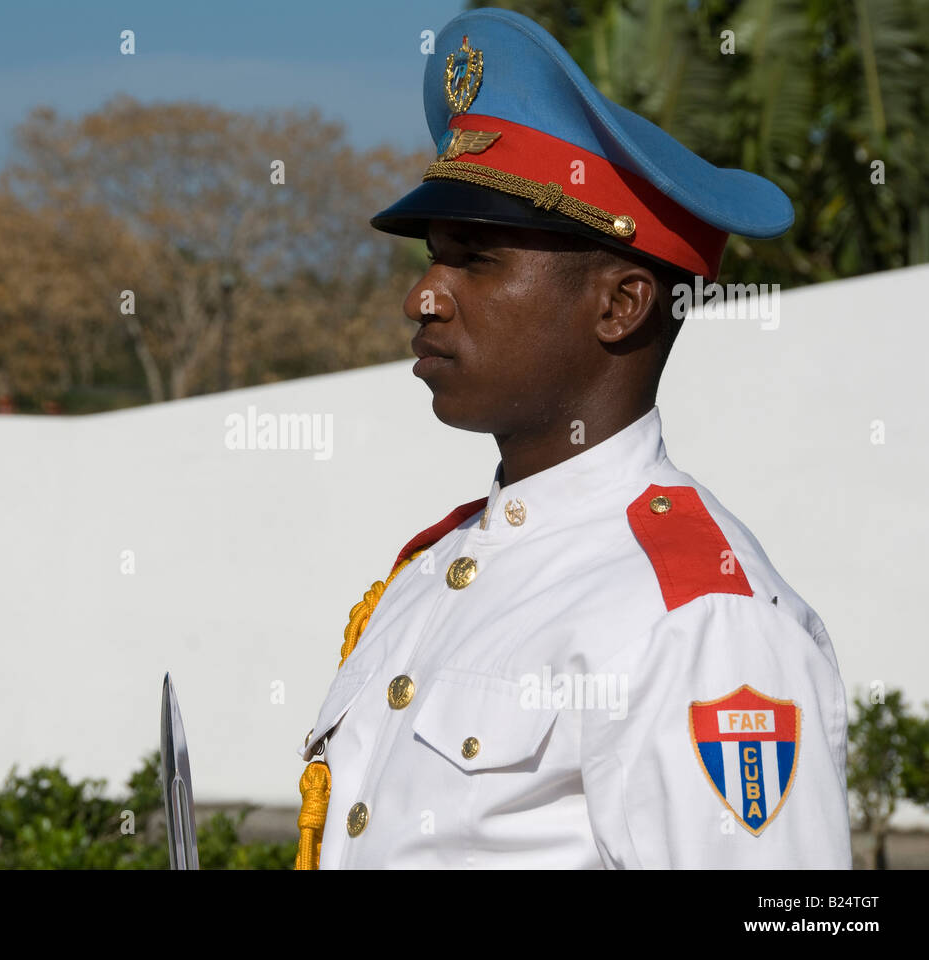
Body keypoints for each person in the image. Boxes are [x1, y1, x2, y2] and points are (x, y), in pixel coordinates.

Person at [294, 7, 850, 869]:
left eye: (474, 260)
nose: (424, 297)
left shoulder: (699, 617)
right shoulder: (428, 571)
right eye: (432, 258)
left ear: (620, 305)